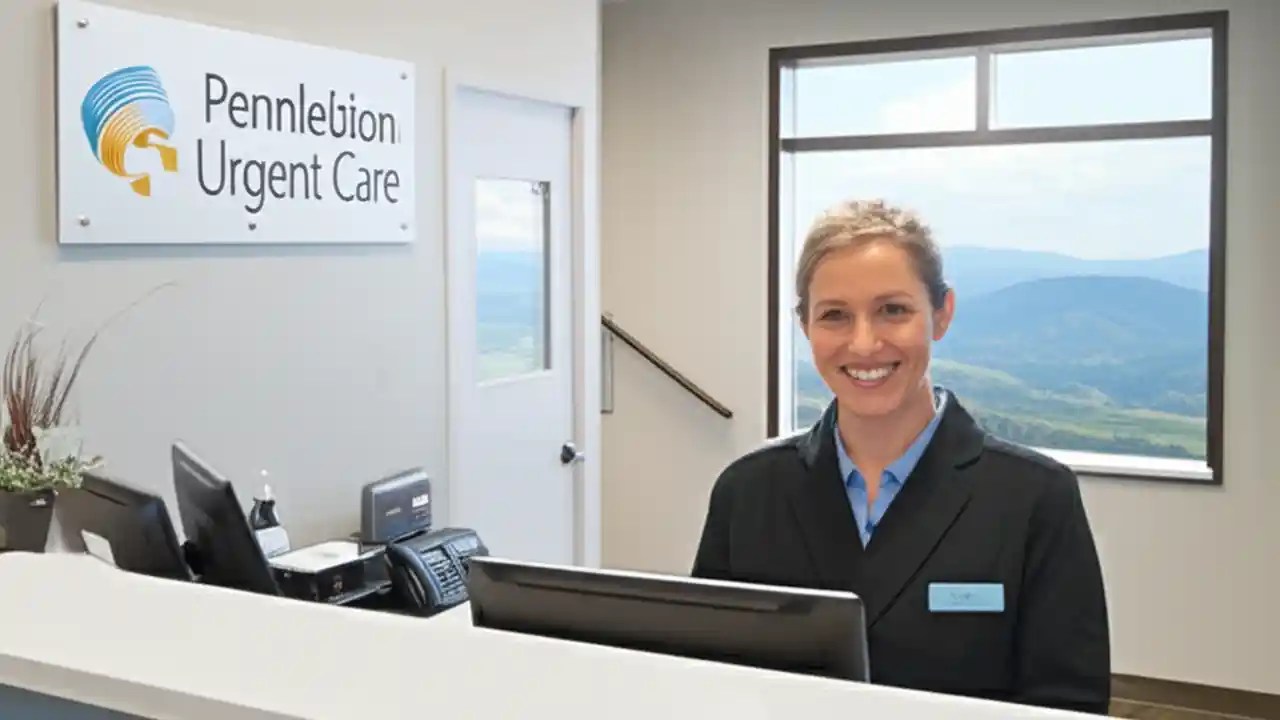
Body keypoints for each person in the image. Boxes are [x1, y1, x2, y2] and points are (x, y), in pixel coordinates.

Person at [692, 199, 1110, 714]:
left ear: (942, 314)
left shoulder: (1035, 499)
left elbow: (1068, 704)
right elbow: (709, 683)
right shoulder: (748, 492)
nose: (864, 343)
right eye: (835, 315)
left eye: (893, 310)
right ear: (805, 326)